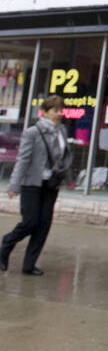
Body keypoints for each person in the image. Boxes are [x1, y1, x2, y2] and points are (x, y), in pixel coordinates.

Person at [1, 95, 72, 275]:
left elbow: (64, 157)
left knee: (43, 225)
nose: (59, 114)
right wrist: (14, 185)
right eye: (55, 110)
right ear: (45, 112)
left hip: (51, 184)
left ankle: (29, 265)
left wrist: (68, 178)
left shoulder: (62, 130)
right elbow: (22, 160)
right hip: (32, 183)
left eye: (60, 110)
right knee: (30, 222)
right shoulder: (32, 132)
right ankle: (7, 243)